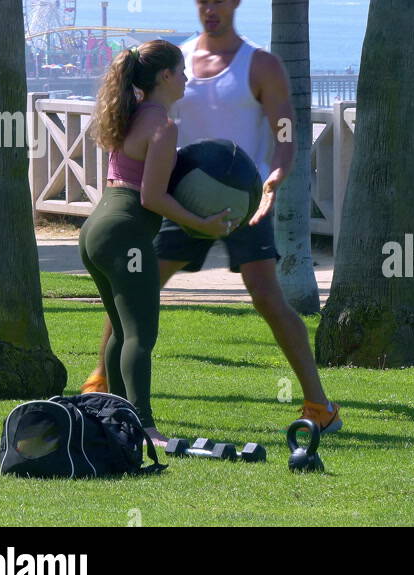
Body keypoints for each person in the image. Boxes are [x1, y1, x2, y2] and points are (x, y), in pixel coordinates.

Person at [81, 0, 342, 440]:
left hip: (242, 200)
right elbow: (151, 146)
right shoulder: (176, 61)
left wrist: (277, 171)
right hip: (176, 195)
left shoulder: (259, 63)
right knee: (136, 298)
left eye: (219, 0)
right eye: (203, 0)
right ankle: (104, 388)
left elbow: (283, 127)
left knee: (267, 297)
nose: (210, 8)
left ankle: (319, 405)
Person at [81, 40, 237, 444]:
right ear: (164, 76)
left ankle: (112, 418)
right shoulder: (163, 126)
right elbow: (152, 198)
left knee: (120, 330)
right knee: (140, 335)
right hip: (127, 231)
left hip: (98, 227)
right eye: (181, 70)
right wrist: (203, 224)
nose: (186, 78)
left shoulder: (130, 115)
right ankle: (144, 426)